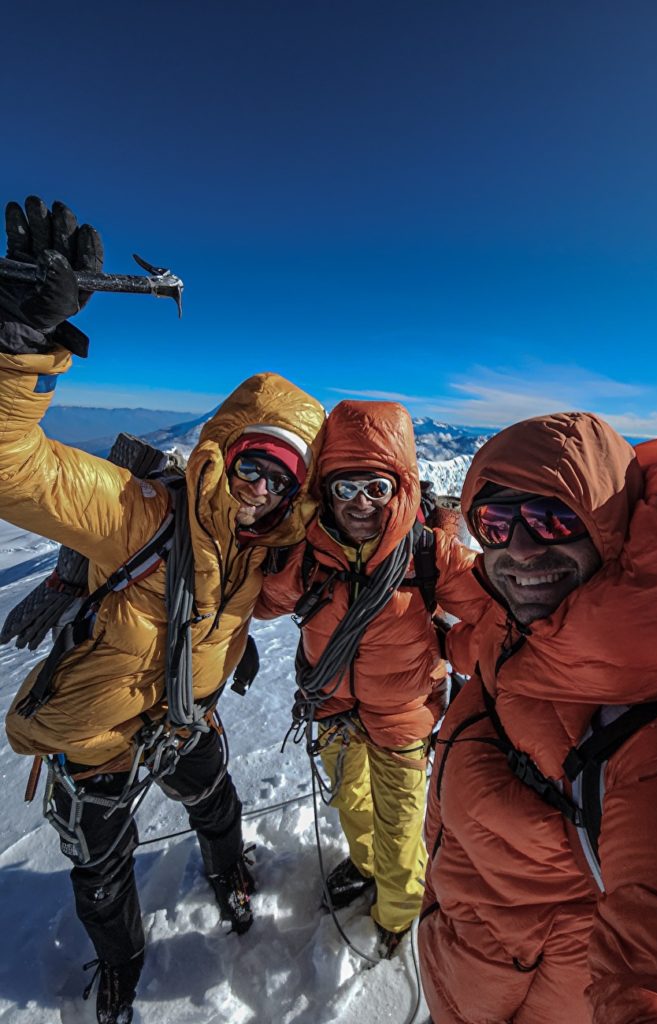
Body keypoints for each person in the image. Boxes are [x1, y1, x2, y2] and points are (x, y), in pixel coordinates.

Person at [0, 196, 325, 1024]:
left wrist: (228, 646)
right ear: (223, 454)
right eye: (252, 465)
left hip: (185, 717)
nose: (259, 491)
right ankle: (123, 964)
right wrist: (22, 345)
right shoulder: (141, 511)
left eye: (281, 480)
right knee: (100, 871)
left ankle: (229, 870)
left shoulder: (262, 550)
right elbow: (19, 472)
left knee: (216, 806)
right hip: (95, 735)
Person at [419, 411, 657, 1024]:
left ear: (609, 532)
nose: (520, 547)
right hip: (467, 973)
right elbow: (490, 658)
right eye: (496, 523)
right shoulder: (528, 624)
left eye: (553, 519)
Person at [254, 398, 489, 956]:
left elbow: (496, 615)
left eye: (376, 489)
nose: (360, 504)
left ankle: (398, 910)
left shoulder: (430, 555)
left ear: (400, 489)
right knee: (350, 801)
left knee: (402, 823)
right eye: (345, 488)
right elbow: (259, 602)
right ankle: (364, 866)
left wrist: (456, 647)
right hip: (332, 706)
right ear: (325, 490)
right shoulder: (308, 554)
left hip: (405, 714)